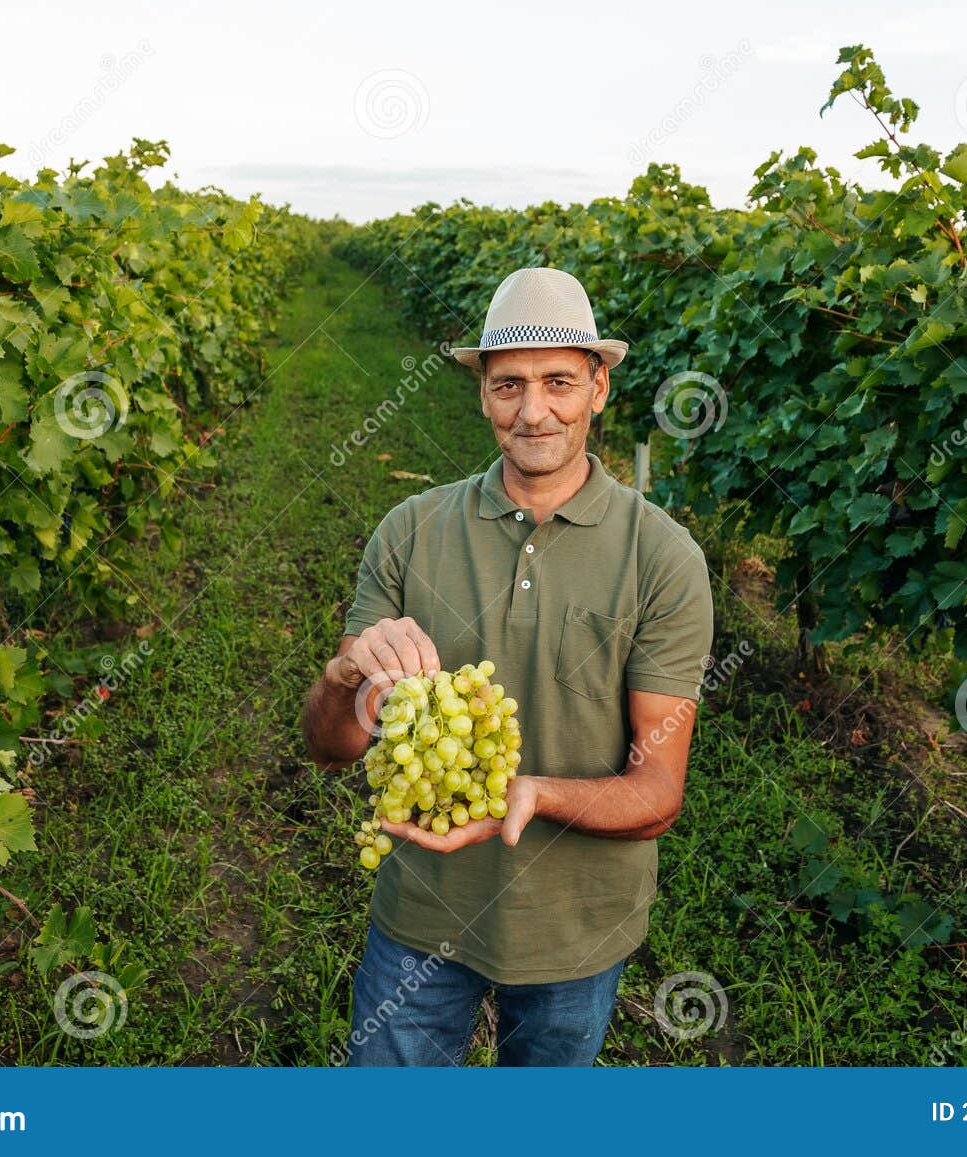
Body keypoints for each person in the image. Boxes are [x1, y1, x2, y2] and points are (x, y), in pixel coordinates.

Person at [301, 265, 714, 1066]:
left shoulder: (662, 557)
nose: (533, 411)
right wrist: (346, 677)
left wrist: (533, 794)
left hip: (576, 932)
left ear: (599, 389)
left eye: (559, 381)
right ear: (482, 394)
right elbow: (329, 746)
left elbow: (659, 794)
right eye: (508, 385)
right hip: (421, 914)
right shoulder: (408, 531)